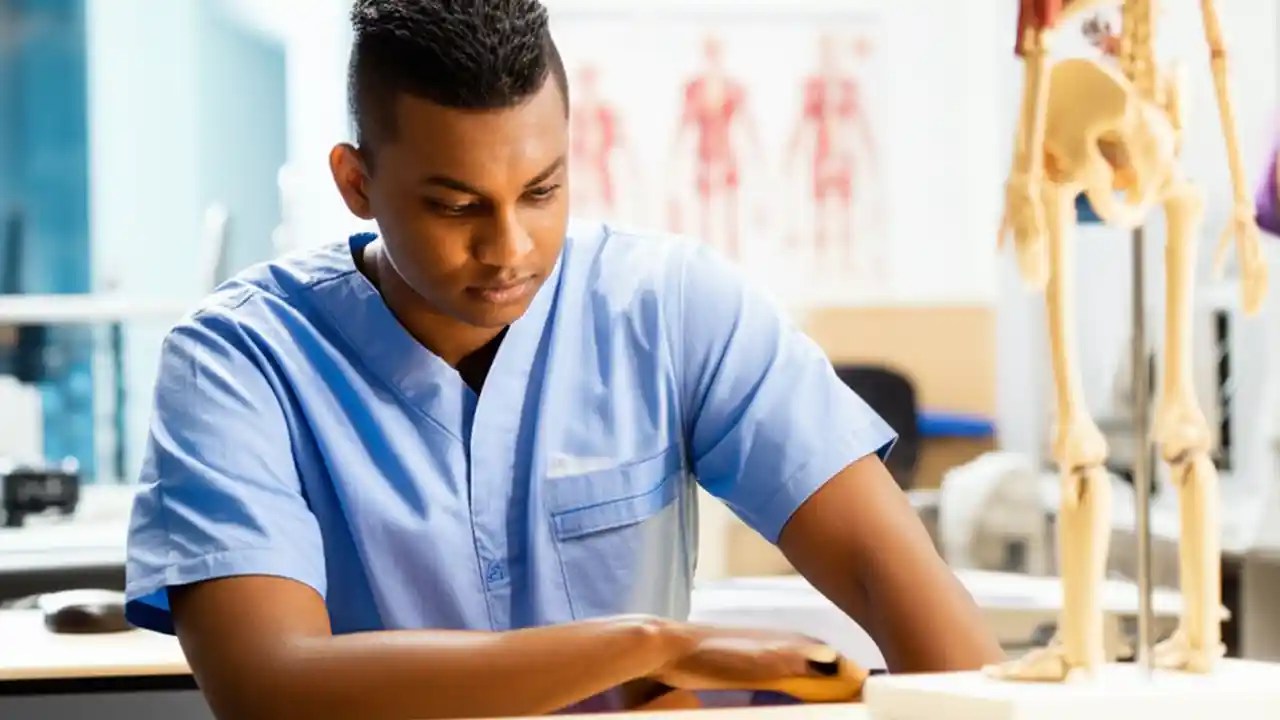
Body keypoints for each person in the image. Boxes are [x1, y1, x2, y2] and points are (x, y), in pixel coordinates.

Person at [123, 1, 1003, 718]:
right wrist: (650, 647)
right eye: (457, 206)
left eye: (542, 191)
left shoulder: (673, 309)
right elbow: (269, 685)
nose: (510, 248)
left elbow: (895, 581)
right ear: (356, 183)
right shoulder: (236, 363)